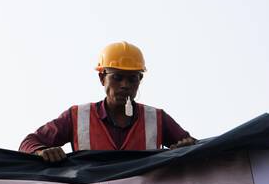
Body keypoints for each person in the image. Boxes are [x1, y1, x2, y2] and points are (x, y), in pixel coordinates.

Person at [20, 41, 196, 162]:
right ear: (102, 78)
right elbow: (28, 143)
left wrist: (186, 148)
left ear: (140, 80)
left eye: (132, 79)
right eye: (117, 78)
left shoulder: (157, 118)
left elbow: (195, 148)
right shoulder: (77, 117)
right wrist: (42, 152)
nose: (125, 85)